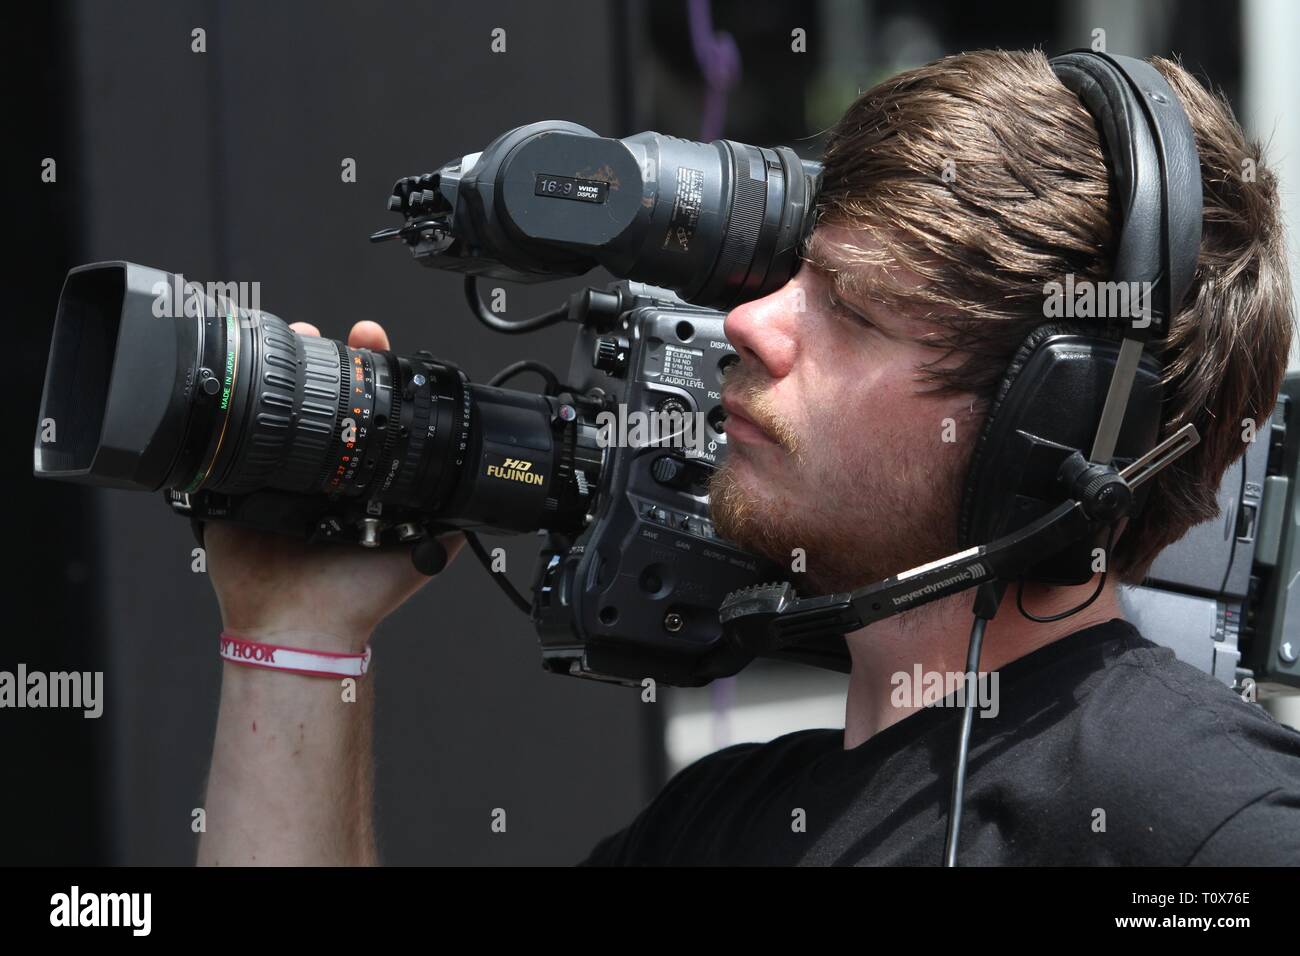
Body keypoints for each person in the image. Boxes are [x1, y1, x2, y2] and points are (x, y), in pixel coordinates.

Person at [197, 50, 1300, 866]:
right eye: (791, 276)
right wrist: (296, 638)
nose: (749, 325)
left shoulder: (1199, 815)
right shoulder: (720, 819)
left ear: (1052, 421)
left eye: (853, 309)